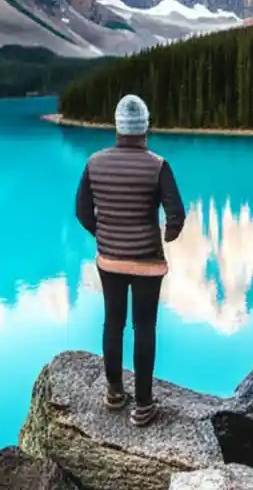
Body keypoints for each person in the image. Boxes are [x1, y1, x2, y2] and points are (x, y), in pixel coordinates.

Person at [75, 94, 185, 427]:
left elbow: (82, 211)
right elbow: (176, 214)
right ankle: (143, 405)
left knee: (113, 322)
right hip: (147, 262)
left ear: (118, 127)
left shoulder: (94, 162)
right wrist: (165, 237)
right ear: (144, 127)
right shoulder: (158, 165)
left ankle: (113, 393)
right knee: (144, 327)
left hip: (109, 260)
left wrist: (105, 235)